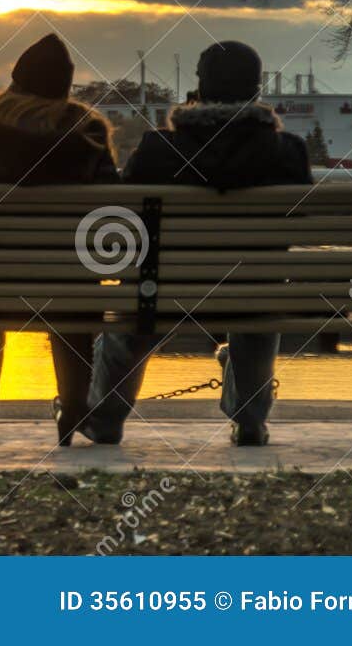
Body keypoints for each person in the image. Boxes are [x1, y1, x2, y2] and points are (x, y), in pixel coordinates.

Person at [81, 40, 311, 447]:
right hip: (253, 290)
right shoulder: (286, 152)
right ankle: (249, 418)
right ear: (256, 90)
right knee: (258, 299)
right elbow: (301, 225)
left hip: (161, 292)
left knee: (133, 309)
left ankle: (105, 416)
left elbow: (123, 218)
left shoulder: (159, 150)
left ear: (199, 88)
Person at [0, 33, 118, 446]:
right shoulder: (86, 136)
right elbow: (114, 213)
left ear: (16, 82)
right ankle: (73, 407)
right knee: (75, 299)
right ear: (64, 87)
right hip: (70, 287)